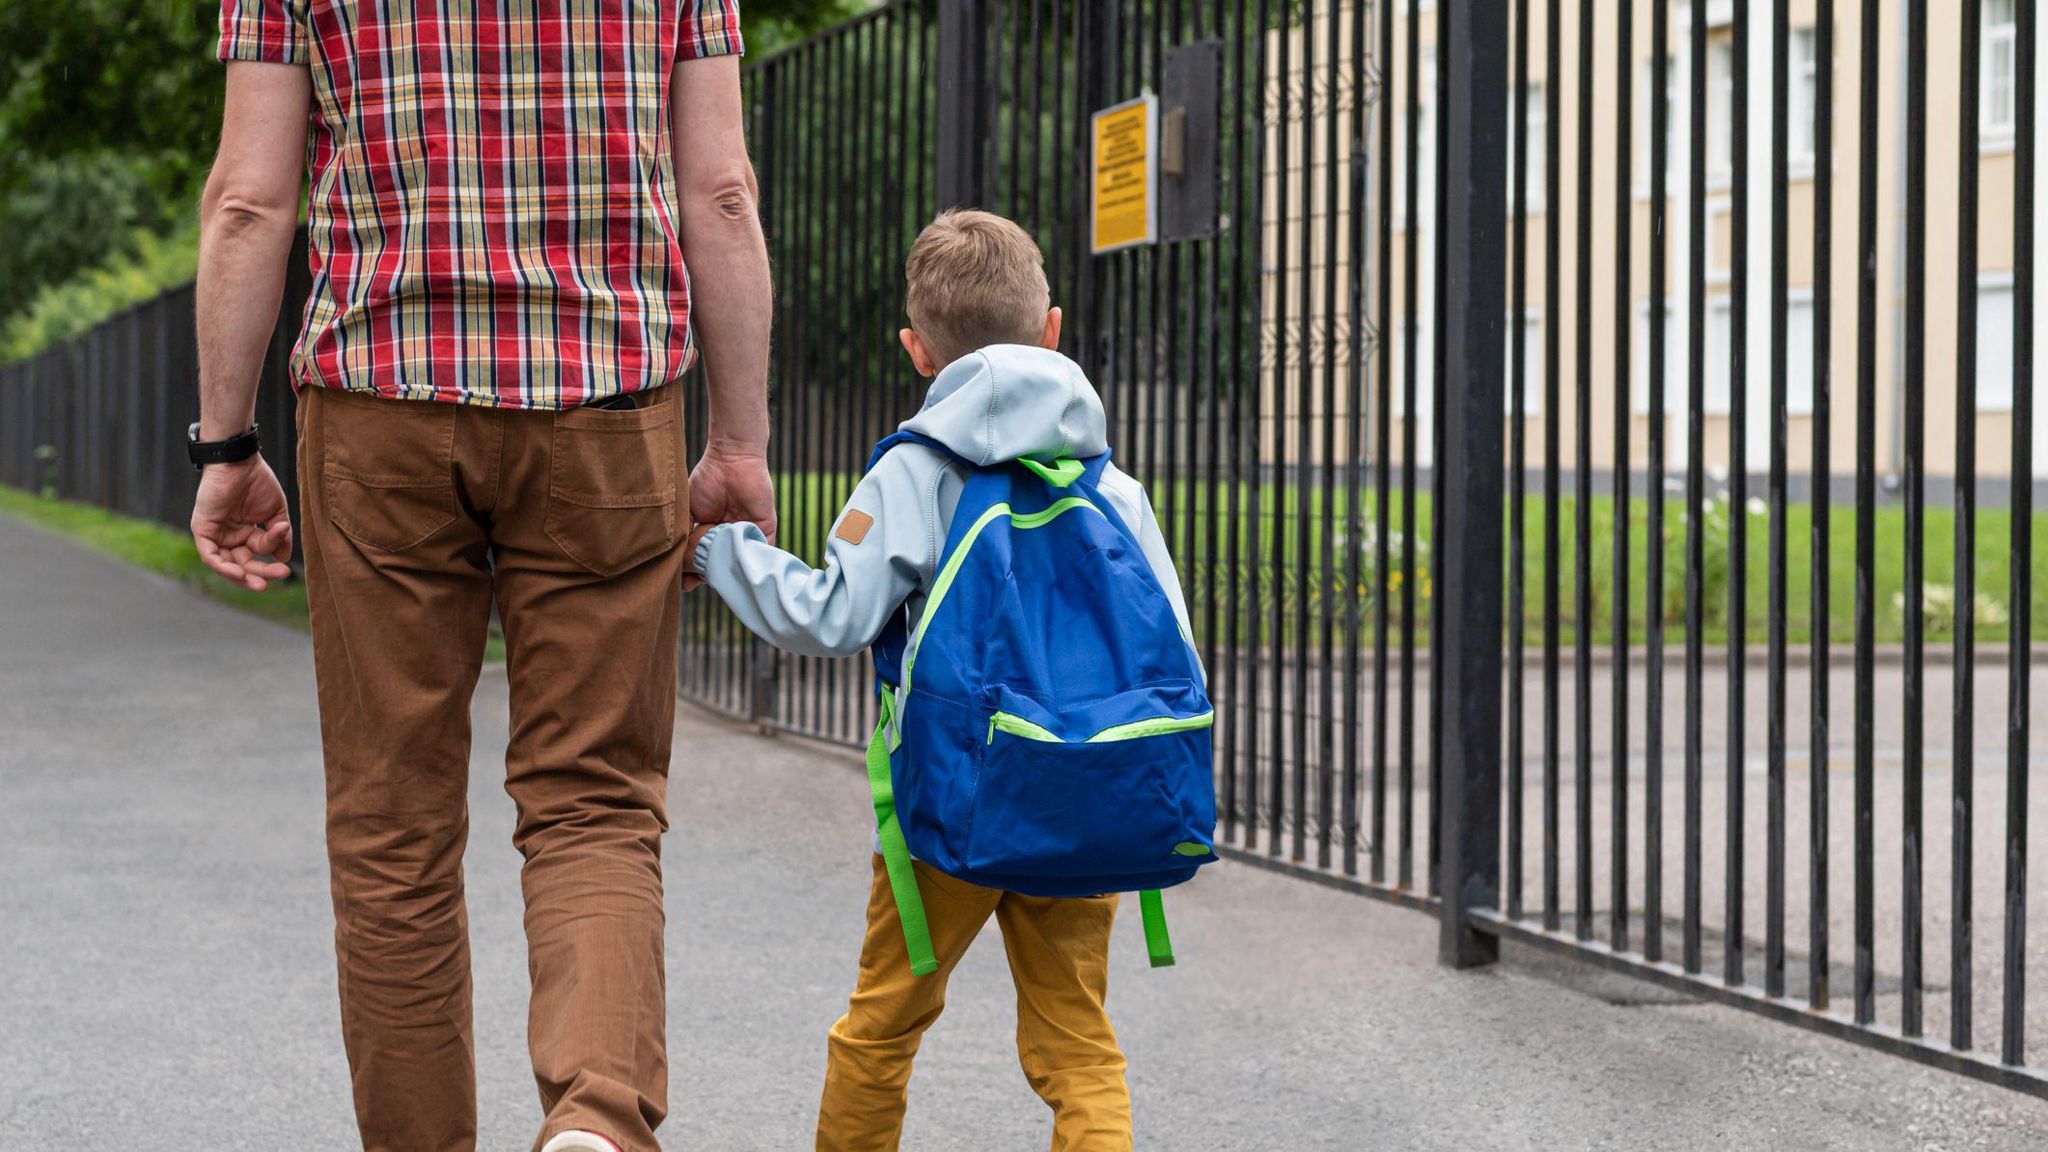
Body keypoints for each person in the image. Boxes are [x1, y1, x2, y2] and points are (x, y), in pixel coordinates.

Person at [186, 3, 775, 1150]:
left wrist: (225, 445)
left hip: (377, 409)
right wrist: (739, 445)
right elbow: (720, 195)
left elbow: (249, 202)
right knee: (594, 801)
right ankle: (597, 1126)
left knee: (390, 824)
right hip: (604, 403)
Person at [688, 209, 1197, 1152]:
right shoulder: (1114, 487)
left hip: (947, 817)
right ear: (1052, 330)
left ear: (919, 352)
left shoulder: (916, 472)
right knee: (1080, 1047)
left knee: (881, 1028)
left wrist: (726, 554)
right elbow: (1173, 644)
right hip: (1086, 801)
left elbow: (830, 614)